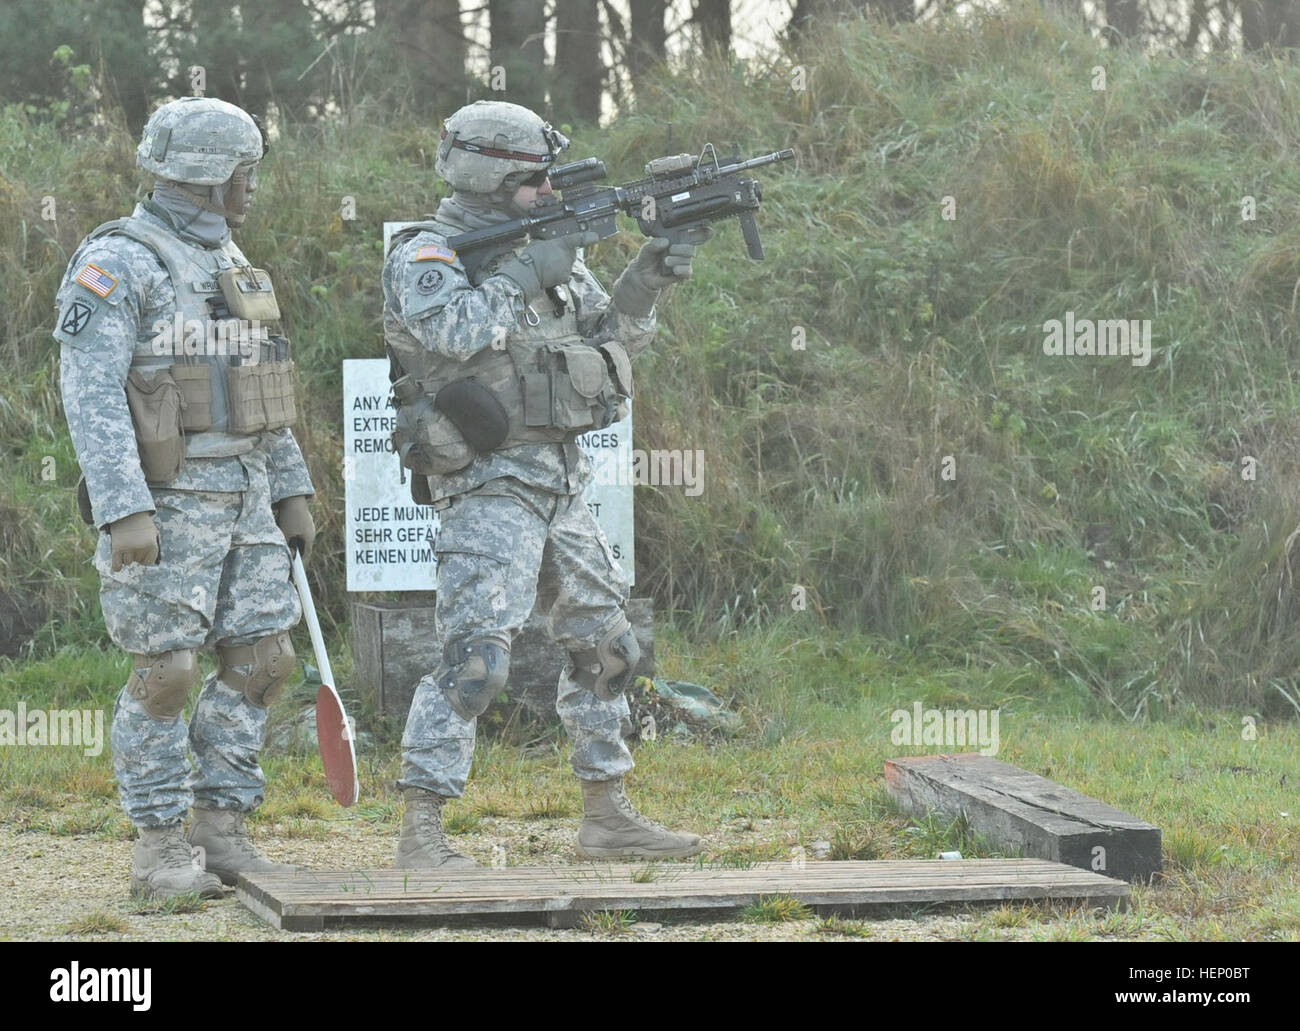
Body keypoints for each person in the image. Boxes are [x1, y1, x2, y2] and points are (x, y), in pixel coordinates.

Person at [384, 100, 706, 867]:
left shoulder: (549, 249)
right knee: (476, 660)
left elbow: (609, 337)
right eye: (535, 180)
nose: (548, 192)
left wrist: (649, 273)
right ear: (488, 172)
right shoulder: (428, 251)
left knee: (610, 648)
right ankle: (421, 828)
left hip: (561, 482)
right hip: (490, 487)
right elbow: (453, 332)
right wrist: (526, 269)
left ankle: (607, 814)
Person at [53, 97, 316, 900]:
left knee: (265, 661)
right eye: (245, 171)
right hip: (167, 503)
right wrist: (120, 503)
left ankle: (221, 824)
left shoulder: (230, 258)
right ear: (208, 175)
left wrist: (292, 489)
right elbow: (89, 389)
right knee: (165, 673)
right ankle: (161, 845)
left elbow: (262, 387)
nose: (253, 186)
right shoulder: (120, 260)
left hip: (246, 494)